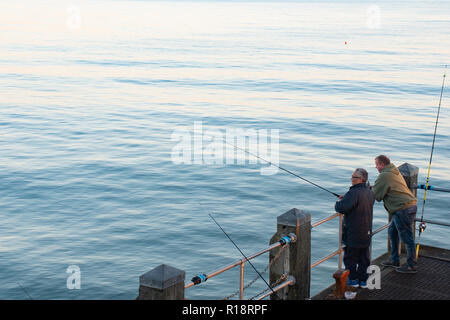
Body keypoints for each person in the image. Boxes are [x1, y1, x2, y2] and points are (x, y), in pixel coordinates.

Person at [372, 155, 418, 273]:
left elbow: (376, 196)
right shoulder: (394, 171)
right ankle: (394, 259)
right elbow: (386, 186)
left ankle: (411, 265)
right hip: (409, 205)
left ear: (382, 164)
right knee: (392, 231)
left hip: (402, 209)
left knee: (407, 238)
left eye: (377, 164)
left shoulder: (384, 175)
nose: (375, 167)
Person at [335, 168, 375, 288]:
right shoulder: (369, 191)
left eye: (354, 177)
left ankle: (352, 280)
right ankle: (363, 281)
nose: (351, 179)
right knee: (364, 258)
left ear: (361, 179)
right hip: (366, 230)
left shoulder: (354, 192)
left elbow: (341, 208)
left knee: (350, 257)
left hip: (354, 231)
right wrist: (347, 198)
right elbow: (358, 202)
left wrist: (339, 202)